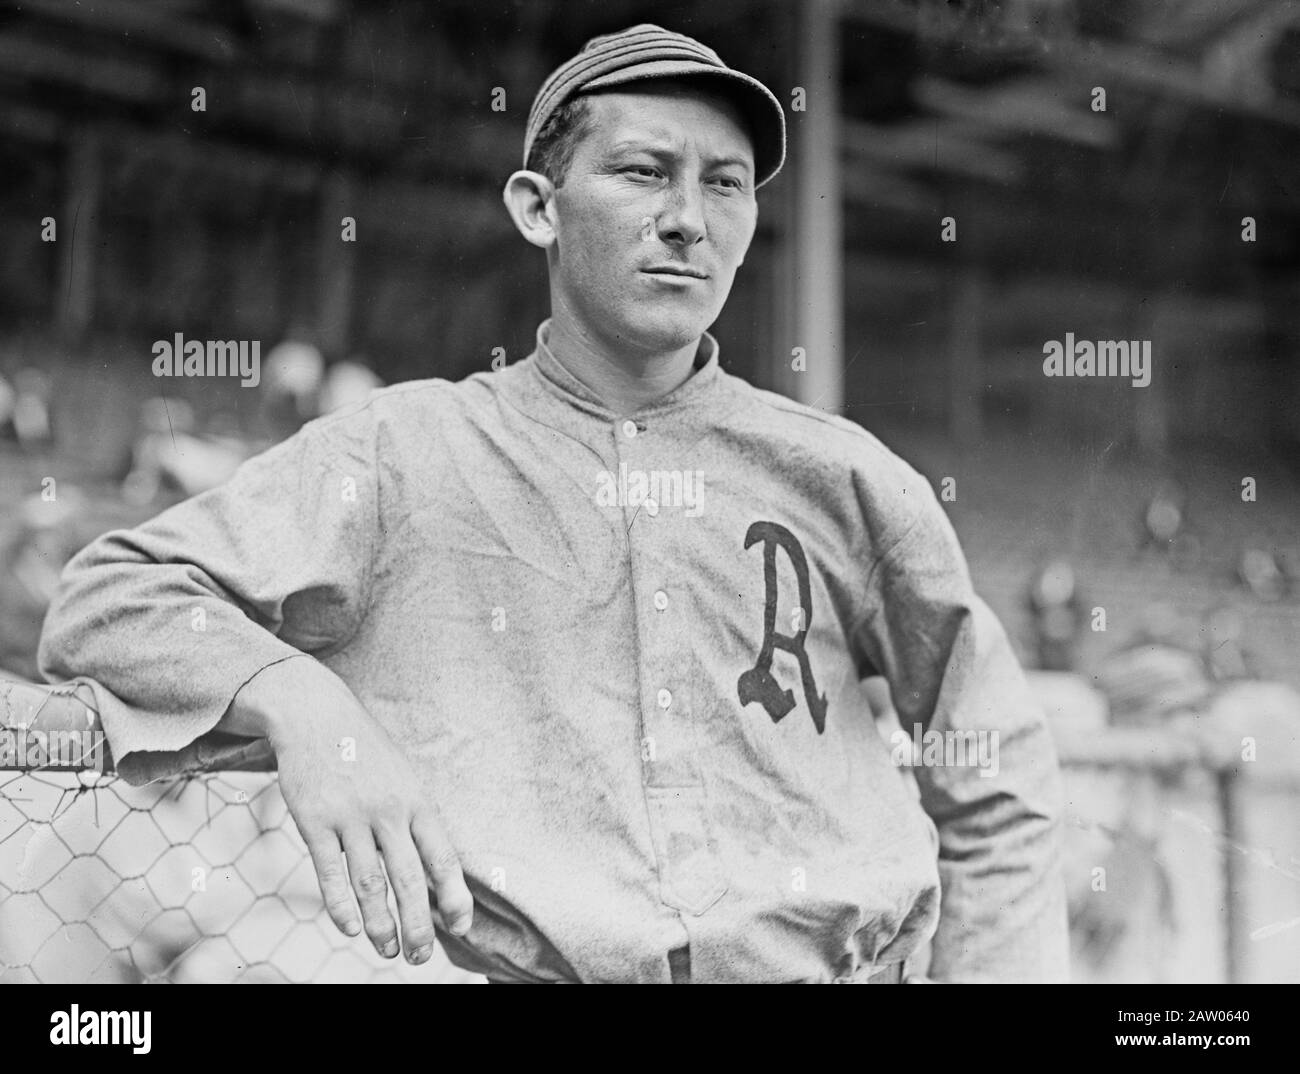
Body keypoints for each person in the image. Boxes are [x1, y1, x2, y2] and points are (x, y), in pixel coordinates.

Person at [38, 24, 1067, 983]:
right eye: (641, 172)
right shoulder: (404, 454)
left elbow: (994, 762)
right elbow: (107, 602)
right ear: (538, 206)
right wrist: (301, 704)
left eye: (727, 185)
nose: (688, 220)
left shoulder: (839, 474)